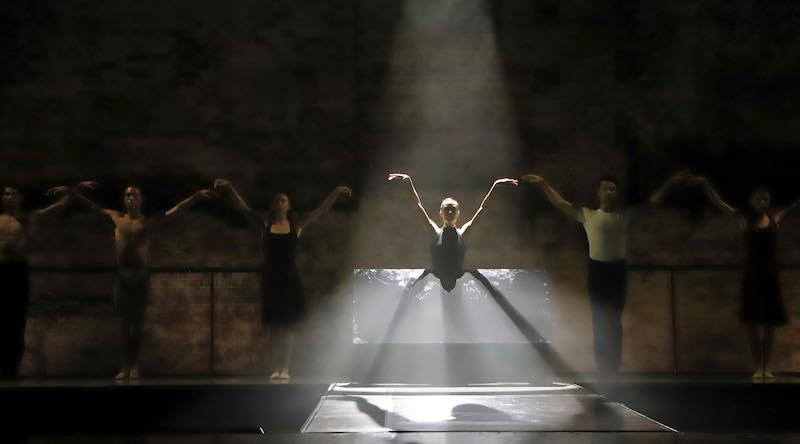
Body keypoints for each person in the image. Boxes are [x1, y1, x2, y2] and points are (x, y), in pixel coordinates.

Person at [522, 171, 690, 376]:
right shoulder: (588, 215)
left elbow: (651, 204)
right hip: (598, 271)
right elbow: (561, 203)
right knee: (600, 320)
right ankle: (603, 368)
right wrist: (543, 183)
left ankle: (613, 367)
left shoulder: (623, 216)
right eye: (605, 189)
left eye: (612, 189)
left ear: (616, 193)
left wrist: (670, 183)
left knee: (614, 321)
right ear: (598, 192)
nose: (609, 192)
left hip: (617, 271)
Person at [49, 182, 215, 379]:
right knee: (124, 323)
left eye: (135, 195)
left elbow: (177, 210)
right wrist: (72, 191)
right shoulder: (116, 217)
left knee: (136, 323)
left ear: (141, 199)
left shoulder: (149, 221)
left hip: (140, 275)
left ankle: (134, 365)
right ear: (124, 199)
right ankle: (125, 366)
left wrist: (196, 196)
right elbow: (92, 207)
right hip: (123, 275)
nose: (131, 198)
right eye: (128, 195)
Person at [212, 179, 352, 380]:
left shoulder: (297, 225)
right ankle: (274, 367)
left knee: (287, 326)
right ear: (273, 205)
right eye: (277, 201)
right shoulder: (265, 225)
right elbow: (244, 208)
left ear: (288, 205)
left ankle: (285, 368)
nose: (280, 203)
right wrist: (229, 187)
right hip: (271, 276)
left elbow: (320, 211)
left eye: (283, 200)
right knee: (273, 327)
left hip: (289, 278)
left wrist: (336, 192)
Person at [692, 177, 798, 379]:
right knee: (752, 323)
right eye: (759, 199)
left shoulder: (774, 218)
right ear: (752, 201)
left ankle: (766, 366)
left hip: (769, 275)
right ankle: (758, 366)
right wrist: (706, 185)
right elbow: (720, 204)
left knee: (770, 324)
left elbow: (792, 206)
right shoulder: (744, 220)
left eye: (766, 200)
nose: (763, 203)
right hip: (752, 274)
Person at [387, 173, 518, 294]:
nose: (450, 212)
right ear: (441, 213)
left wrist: (495, 186)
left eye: (453, 209)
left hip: (454, 278)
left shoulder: (464, 232)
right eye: (446, 209)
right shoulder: (434, 231)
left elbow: (483, 208)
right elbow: (417, 206)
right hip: (442, 278)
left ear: (458, 213)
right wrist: (408, 182)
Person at [0, 186, 69, 378]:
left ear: (20, 198)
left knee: (17, 320)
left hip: (17, 272)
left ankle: (11, 369)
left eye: (13, 194)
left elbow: (52, 210)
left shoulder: (27, 219)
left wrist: (70, 193)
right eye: (6, 194)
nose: (9, 197)